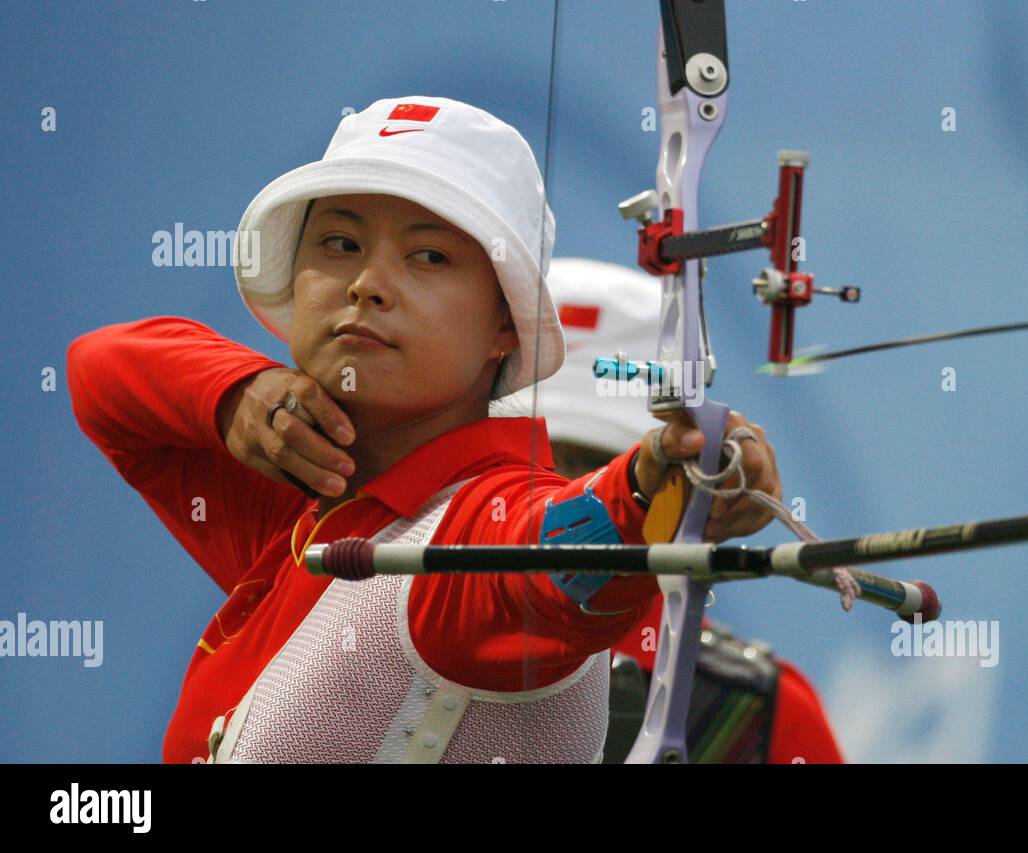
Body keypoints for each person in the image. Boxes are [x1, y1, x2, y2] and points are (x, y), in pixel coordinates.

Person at [66, 96, 782, 763]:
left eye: (429, 256)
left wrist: (650, 486)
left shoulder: (477, 523)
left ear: (505, 323)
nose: (367, 283)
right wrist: (238, 396)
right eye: (340, 242)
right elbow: (100, 371)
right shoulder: (303, 506)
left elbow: (547, 564)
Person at [498, 257, 845, 764]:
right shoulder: (363, 626)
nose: (560, 501)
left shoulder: (753, 715)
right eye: (521, 467)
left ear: (680, 488)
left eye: (606, 473)